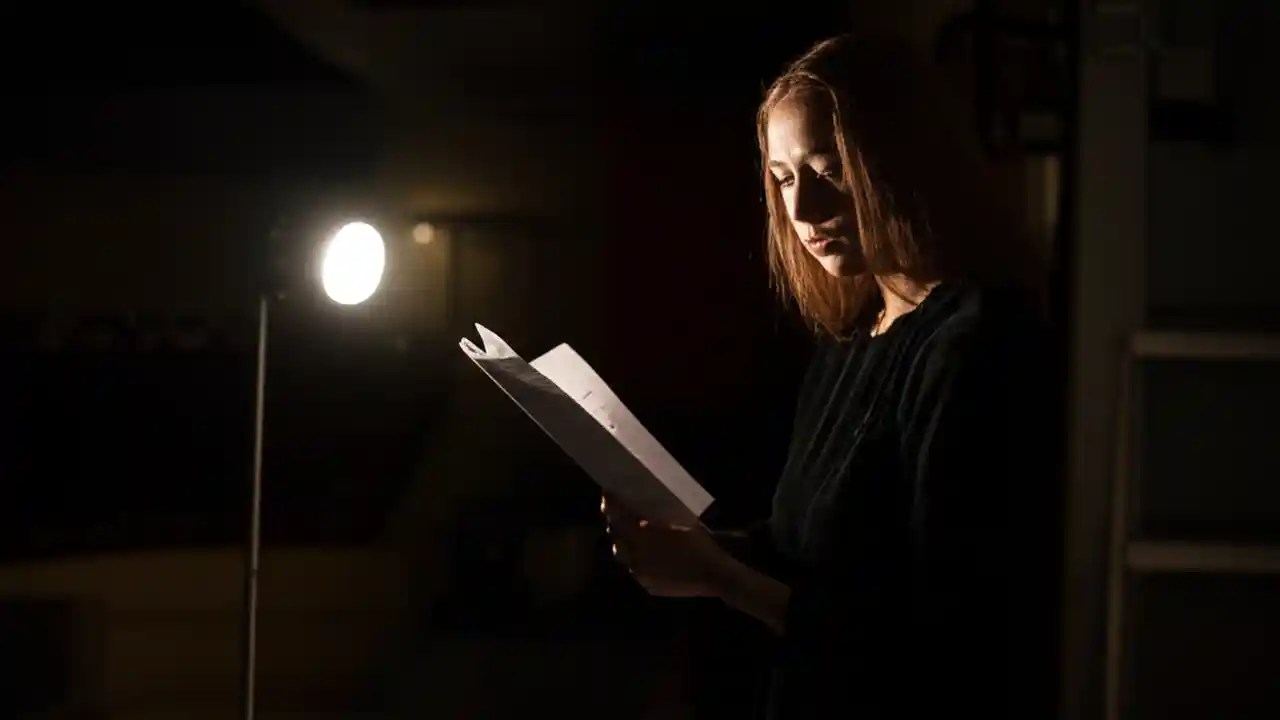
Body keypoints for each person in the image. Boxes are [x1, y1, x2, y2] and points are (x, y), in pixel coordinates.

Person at [601, 33, 1059, 718]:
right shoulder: (854, 336)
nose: (804, 211)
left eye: (829, 170)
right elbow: (810, 552)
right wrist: (703, 553)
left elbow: (937, 637)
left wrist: (723, 580)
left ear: (900, 161)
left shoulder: (975, 349)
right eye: (784, 179)